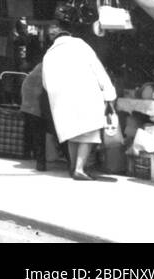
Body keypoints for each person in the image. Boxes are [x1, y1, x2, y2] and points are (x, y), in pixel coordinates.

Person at [41, 13, 118, 181]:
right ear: (69, 34)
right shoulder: (80, 45)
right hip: (86, 95)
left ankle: (74, 166)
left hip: (61, 100)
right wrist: (109, 92)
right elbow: (98, 69)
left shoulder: (49, 54)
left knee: (72, 133)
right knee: (89, 132)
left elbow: (46, 83)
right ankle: (79, 168)